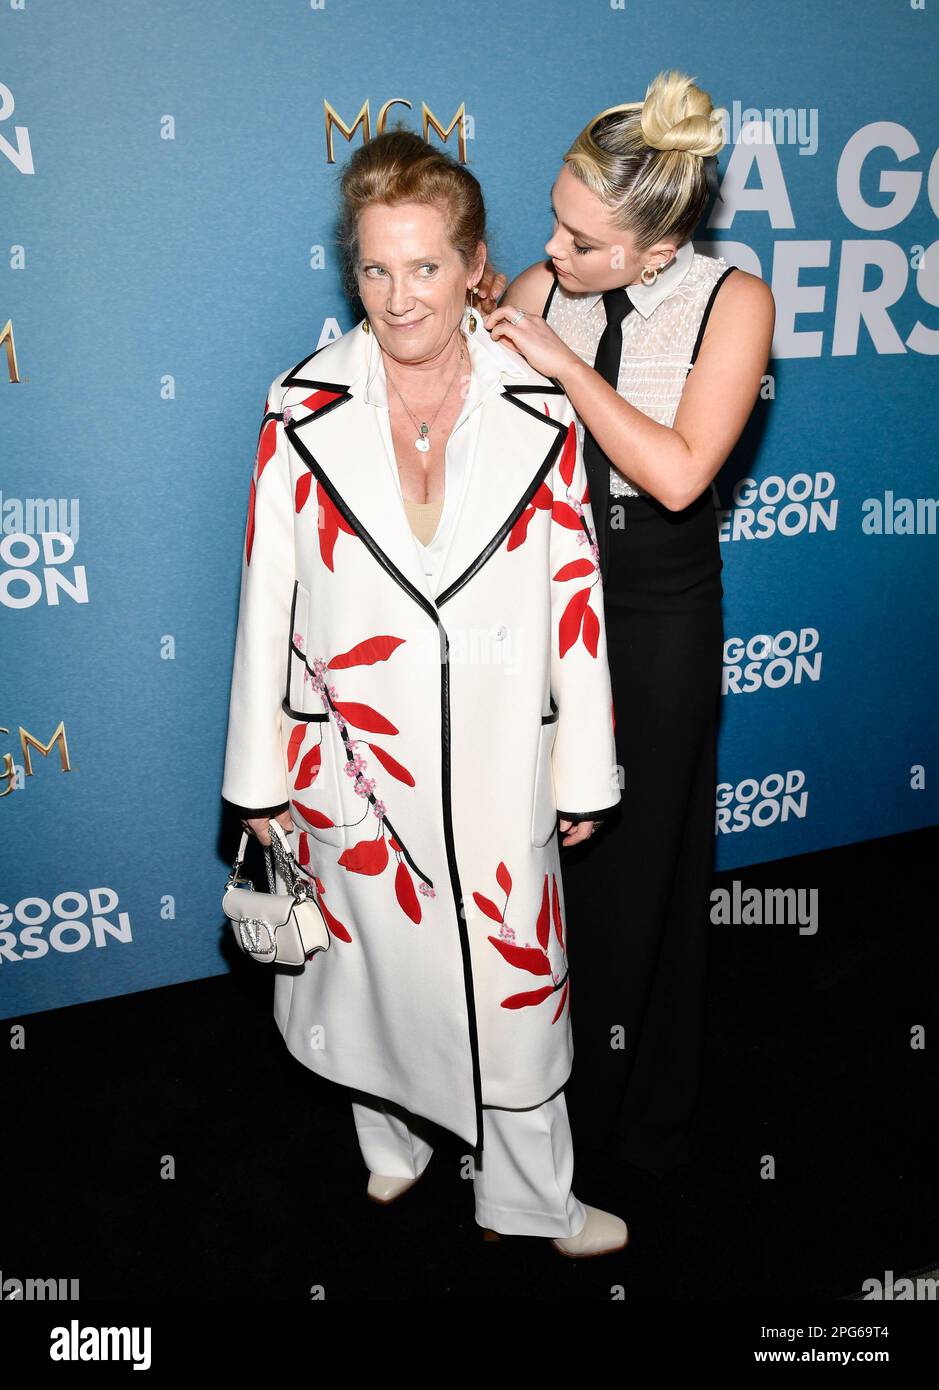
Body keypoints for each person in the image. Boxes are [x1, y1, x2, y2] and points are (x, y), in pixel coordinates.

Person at [220, 129, 628, 1255]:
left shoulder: (544, 411)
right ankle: (390, 1148)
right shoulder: (300, 409)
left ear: (475, 266)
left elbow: (577, 604)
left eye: (426, 267)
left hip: (498, 764)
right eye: (375, 269)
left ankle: (530, 1197)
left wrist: (582, 760)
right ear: (353, 270)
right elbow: (268, 595)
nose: (400, 299)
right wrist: (259, 774)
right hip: (349, 762)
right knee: (369, 984)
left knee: (515, 990)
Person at [480, 71, 775, 1177]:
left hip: (654, 613)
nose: (553, 251)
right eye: (555, 217)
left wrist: (558, 362)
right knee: (540, 856)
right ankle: (526, 1090)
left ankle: (628, 1114)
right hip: (543, 606)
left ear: (655, 253)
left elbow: (681, 472)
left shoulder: (733, 302)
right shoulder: (535, 284)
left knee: (640, 867)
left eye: (584, 240)